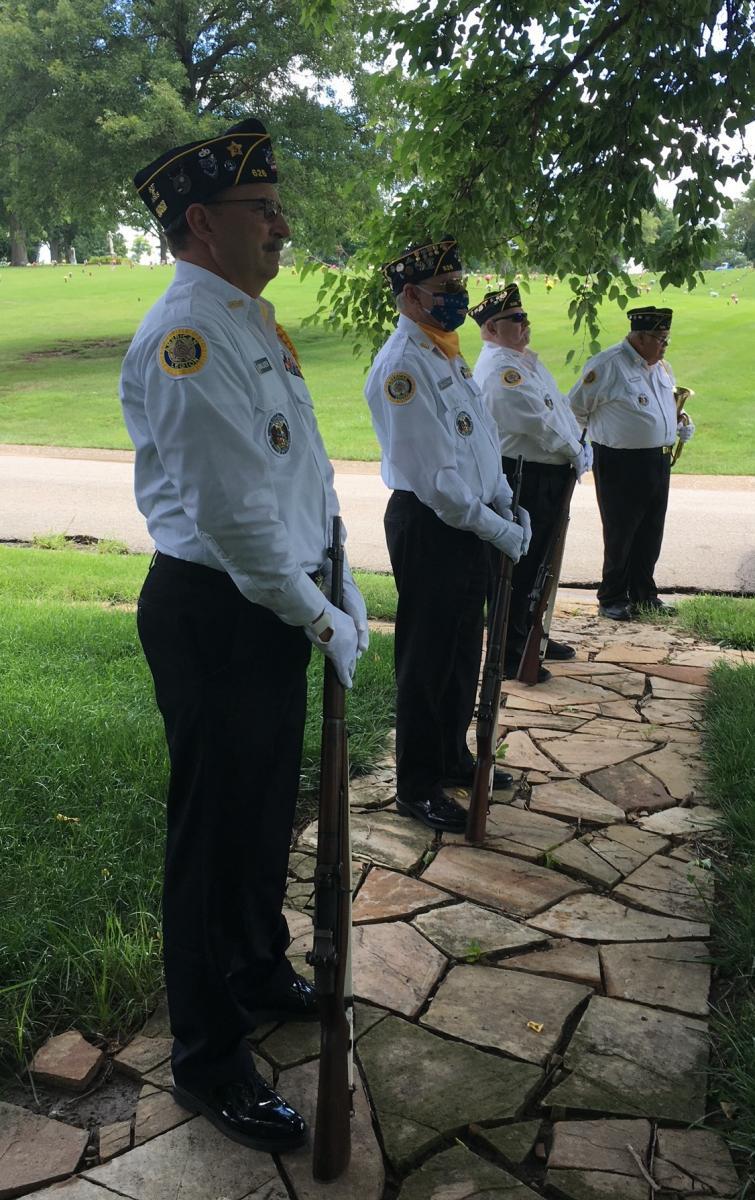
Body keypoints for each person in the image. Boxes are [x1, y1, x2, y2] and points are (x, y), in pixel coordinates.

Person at [120, 117, 368, 1152]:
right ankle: (208, 1057)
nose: (281, 226)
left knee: (265, 810)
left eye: (276, 208)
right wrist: (317, 614)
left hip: (268, 600)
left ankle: (259, 969)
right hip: (219, 610)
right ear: (198, 224)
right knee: (214, 834)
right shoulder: (190, 336)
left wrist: (333, 578)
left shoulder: (247, 319)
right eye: (259, 211)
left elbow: (290, 472)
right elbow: (228, 517)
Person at [364, 237, 530, 834]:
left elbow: (479, 437)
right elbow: (437, 479)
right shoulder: (403, 367)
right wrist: (496, 527)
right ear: (410, 296)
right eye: (448, 291)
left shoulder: (445, 352)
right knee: (428, 657)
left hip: (472, 522)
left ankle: (452, 754)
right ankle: (417, 784)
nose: (460, 298)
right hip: (434, 525)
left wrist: (507, 503)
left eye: (461, 287)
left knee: (464, 649)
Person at [471, 285, 592, 682]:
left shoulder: (524, 362)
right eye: (516, 320)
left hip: (548, 472)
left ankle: (530, 634)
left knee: (541, 563)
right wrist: (573, 450)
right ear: (492, 327)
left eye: (525, 317)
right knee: (517, 568)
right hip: (524, 474)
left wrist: (576, 444)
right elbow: (531, 420)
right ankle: (509, 651)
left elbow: (557, 408)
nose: (526, 325)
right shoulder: (499, 369)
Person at [568, 306, 694, 620]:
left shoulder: (661, 367)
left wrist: (679, 424)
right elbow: (575, 408)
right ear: (639, 337)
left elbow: (667, 406)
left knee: (651, 531)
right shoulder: (609, 365)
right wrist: (587, 443)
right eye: (660, 339)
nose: (665, 345)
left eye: (666, 339)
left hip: (657, 460)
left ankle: (644, 594)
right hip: (620, 462)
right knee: (621, 532)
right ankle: (612, 596)